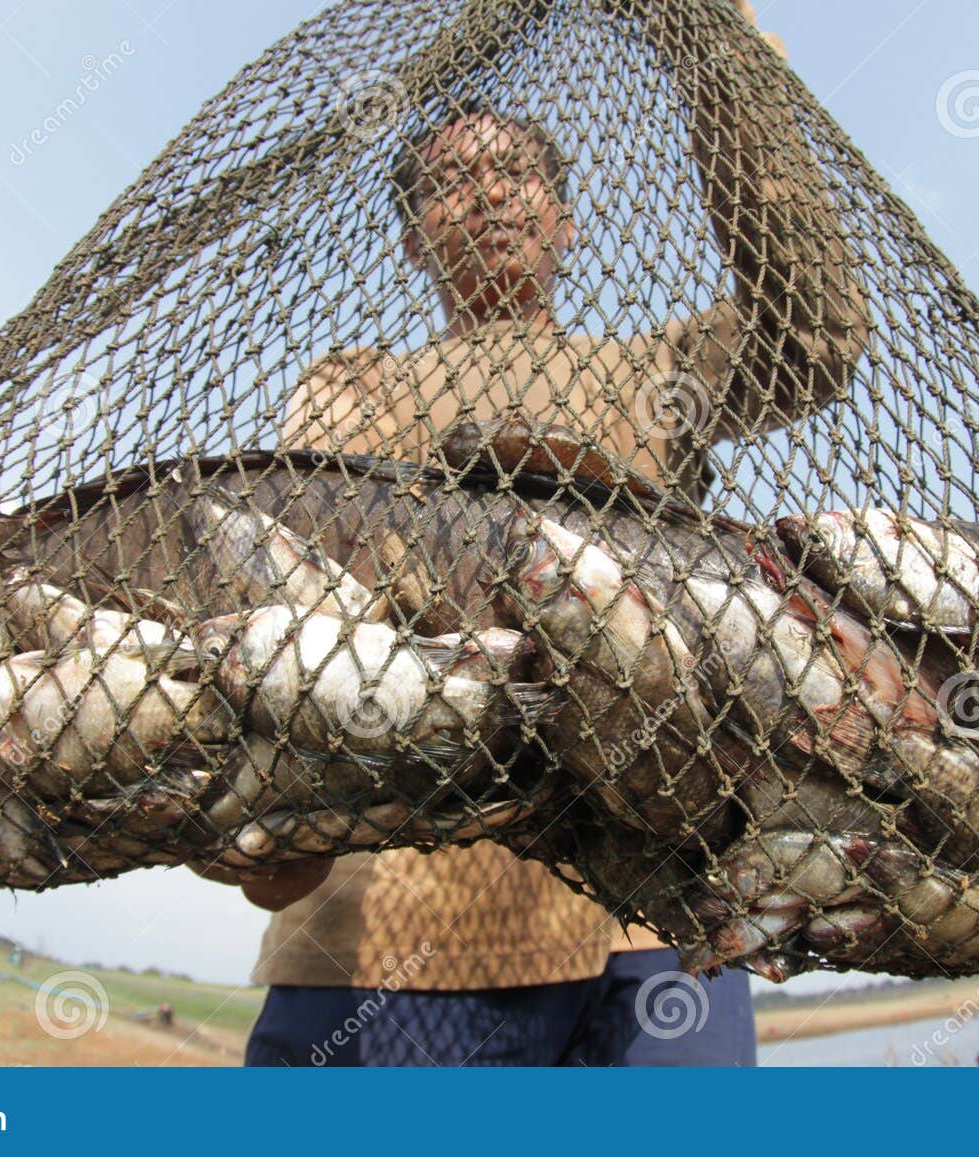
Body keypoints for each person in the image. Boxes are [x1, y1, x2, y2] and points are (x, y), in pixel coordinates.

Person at [226, 23, 869, 1067]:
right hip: (384, 934)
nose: (484, 194)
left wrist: (737, 82)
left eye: (514, 173)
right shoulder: (354, 389)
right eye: (447, 182)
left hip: (658, 924)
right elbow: (297, 610)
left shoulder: (657, 372)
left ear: (566, 223)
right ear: (411, 241)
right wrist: (270, 832)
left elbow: (814, 336)